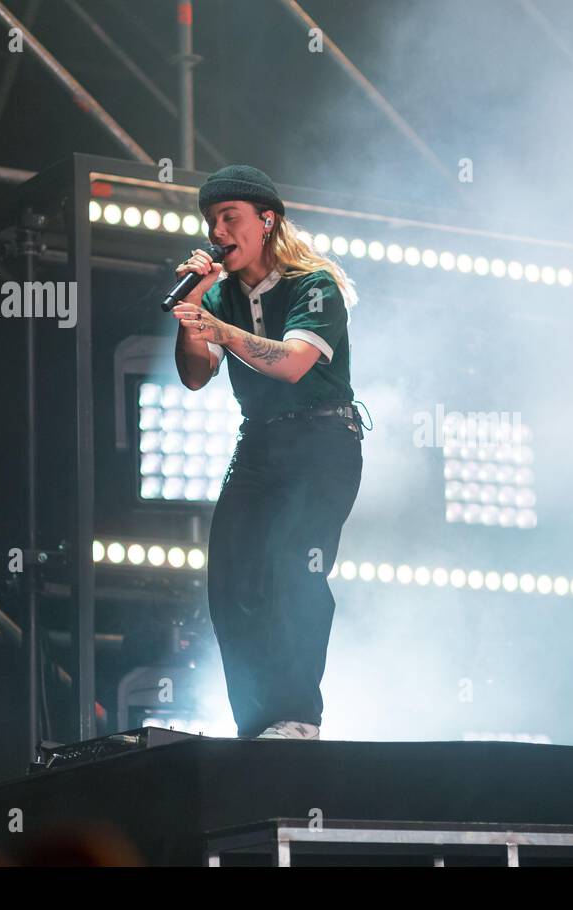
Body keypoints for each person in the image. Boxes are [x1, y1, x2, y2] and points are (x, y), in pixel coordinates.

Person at [171, 164, 366, 740]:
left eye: (229, 217)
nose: (217, 230)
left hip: (322, 441)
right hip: (259, 445)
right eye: (211, 221)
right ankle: (258, 725)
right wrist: (194, 317)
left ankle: (299, 718)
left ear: (267, 220)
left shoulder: (314, 285)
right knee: (231, 580)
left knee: (292, 566)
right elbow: (195, 375)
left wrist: (221, 329)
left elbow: (293, 362)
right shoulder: (222, 294)